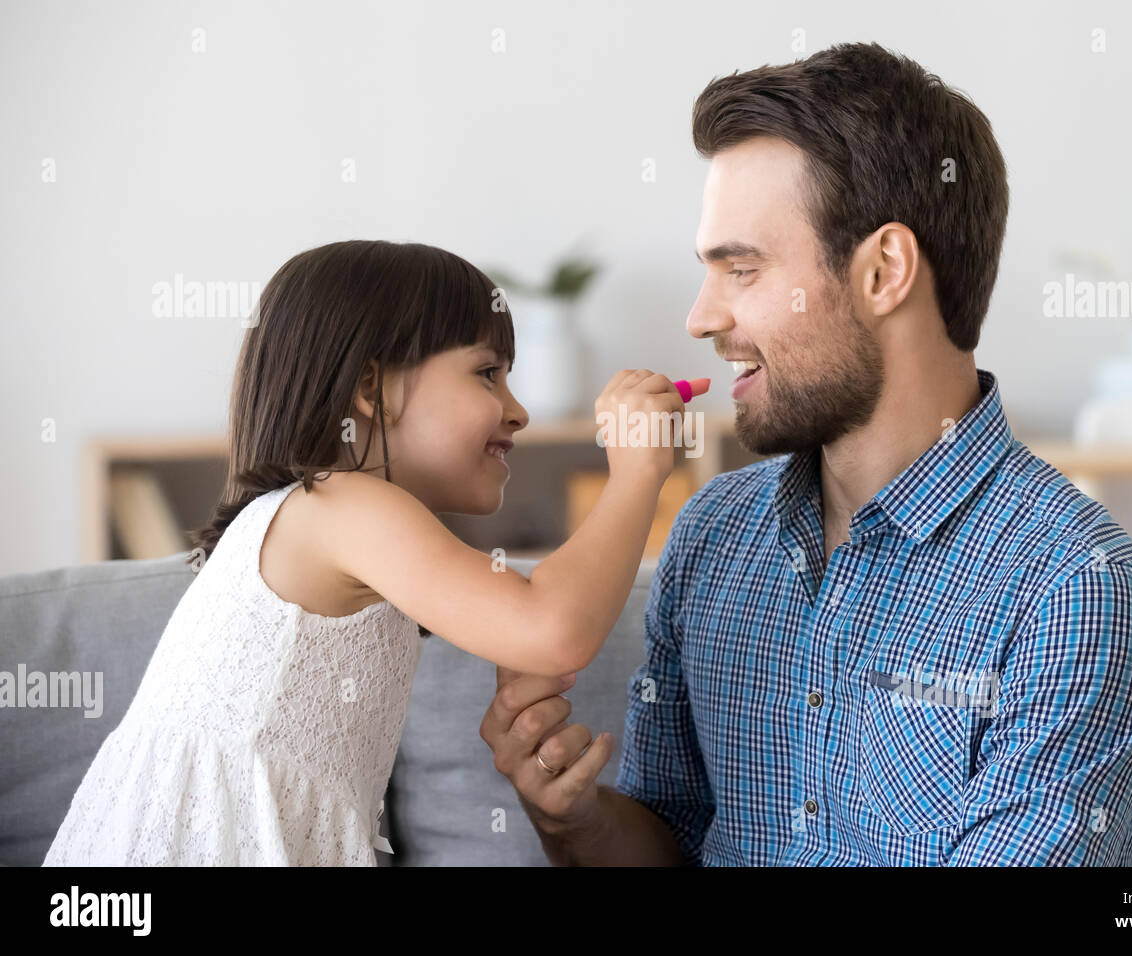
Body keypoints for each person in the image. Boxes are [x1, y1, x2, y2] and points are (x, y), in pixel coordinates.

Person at [480, 42, 1132, 866]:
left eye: (741, 269)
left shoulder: (1074, 598)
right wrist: (573, 820)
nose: (701, 319)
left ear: (884, 271)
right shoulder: (710, 537)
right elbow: (673, 837)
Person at [43, 239, 684, 865]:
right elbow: (554, 628)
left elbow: (535, 626)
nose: (517, 412)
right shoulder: (341, 507)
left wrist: (519, 635)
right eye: (488, 373)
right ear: (372, 388)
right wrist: (637, 472)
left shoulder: (335, 519)